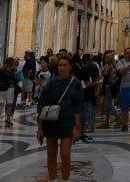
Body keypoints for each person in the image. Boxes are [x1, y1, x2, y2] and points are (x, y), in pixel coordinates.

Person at [37, 54, 83, 182]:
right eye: (60, 65)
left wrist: (77, 127)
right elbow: (41, 105)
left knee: (65, 153)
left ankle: (65, 179)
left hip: (67, 121)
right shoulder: (51, 83)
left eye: (65, 65)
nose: (62, 68)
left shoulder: (76, 83)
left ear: (70, 67)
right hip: (51, 121)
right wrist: (40, 128)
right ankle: (53, 179)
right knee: (51, 154)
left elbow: (78, 107)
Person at [0, 57, 17, 129]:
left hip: (1, 88)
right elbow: (15, 79)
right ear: (12, 63)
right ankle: (8, 120)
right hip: (10, 88)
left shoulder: (2, 69)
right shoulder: (13, 69)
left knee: (0, 105)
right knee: (9, 105)